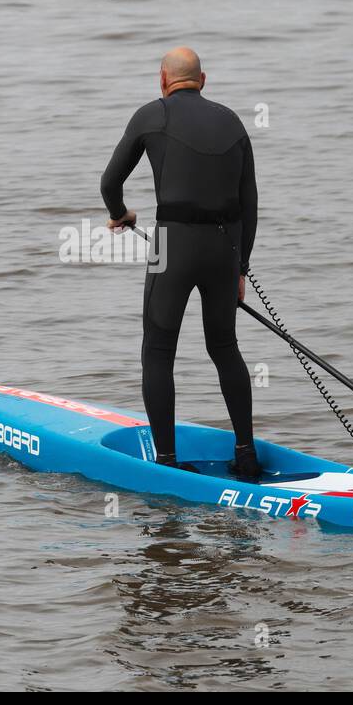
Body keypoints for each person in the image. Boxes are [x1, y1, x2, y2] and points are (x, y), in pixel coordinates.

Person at [100, 47, 261, 481]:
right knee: (224, 348)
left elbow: (109, 181)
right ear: (203, 80)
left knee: (158, 350)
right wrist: (241, 266)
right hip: (224, 248)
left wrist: (120, 213)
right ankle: (245, 453)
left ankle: (167, 462)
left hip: (171, 243)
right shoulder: (231, 120)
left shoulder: (151, 115)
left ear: (163, 80)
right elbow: (250, 203)